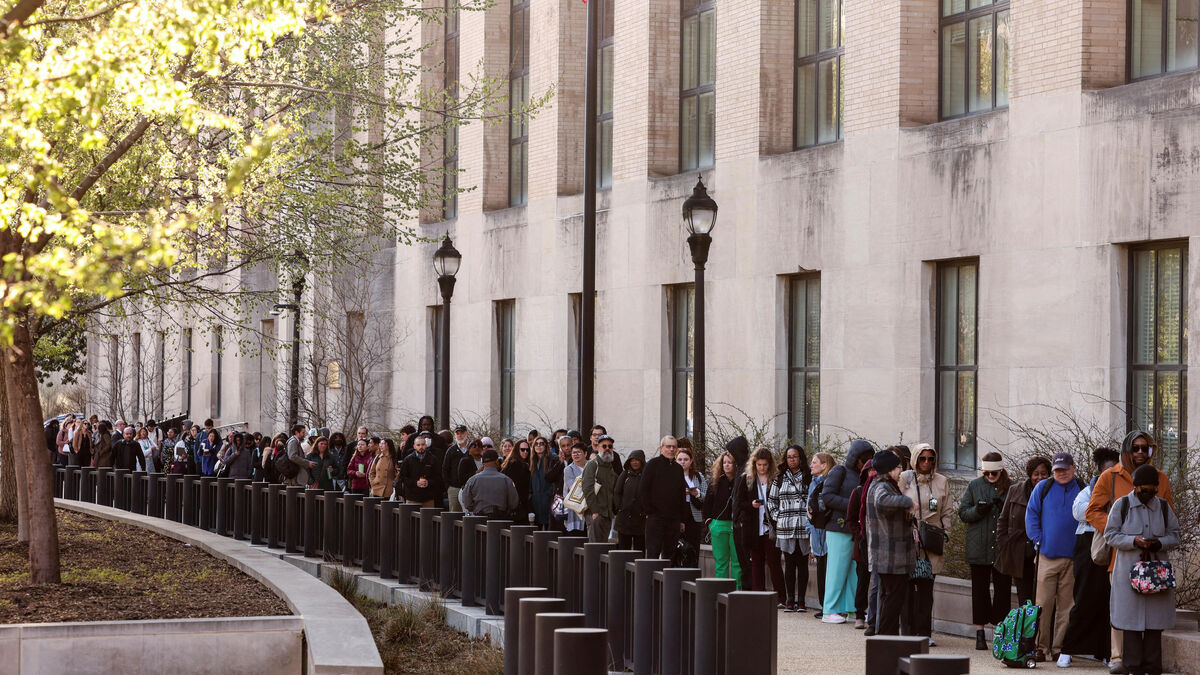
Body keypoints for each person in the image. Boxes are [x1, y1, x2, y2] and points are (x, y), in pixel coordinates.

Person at [1087, 431, 1174, 675]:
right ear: (1127, 449)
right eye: (1135, 447)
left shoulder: (1161, 478)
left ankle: (1146, 662)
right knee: (1125, 610)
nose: (1139, 452)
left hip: (1154, 560)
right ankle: (1119, 659)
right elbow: (1093, 511)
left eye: (1144, 448)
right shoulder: (1110, 476)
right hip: (1122, 557)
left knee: (1152, 612)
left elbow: (1168, 514)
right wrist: (1124, 532)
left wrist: (1157, 539)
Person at [1104, 465, 1180, 675]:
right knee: (1131, 623)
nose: (1147, 494)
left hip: (1156, 576)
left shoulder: (1164, 507)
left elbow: (1175, 535)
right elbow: (1110, 535)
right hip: (1128, 575)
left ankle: (1153, 667)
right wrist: (1133, 541)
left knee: (1155, 623)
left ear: (1156, 488)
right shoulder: (1122, 505)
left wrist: (1159, 543)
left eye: (1151, 490)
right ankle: (1133, 666)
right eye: (1143, 490)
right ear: (1135, 487)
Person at [1062, 446, 1120, 665]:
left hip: (1113, 547)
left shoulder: (1124, 489)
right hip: (1087, 548)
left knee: (1109, 601)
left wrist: (1102, 513)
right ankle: (1068, 649)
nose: (1110, 475)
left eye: (1115, 469)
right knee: (1084, 598)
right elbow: (1079, 511)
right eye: (1107, 471)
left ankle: (1105, 652)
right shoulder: (1089, 489)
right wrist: (1108, 511)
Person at [898, 443, 953, 644]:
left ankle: (924, 633)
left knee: (926, 590)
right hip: (909, 540)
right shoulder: (905, 479)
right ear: (914, 459)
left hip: (932, 541)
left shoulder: (942, 481)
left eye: (931, 458)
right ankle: (908, 632)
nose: (926, 462)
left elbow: (947, 510)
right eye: (922, 458)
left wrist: (945, 533)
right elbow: (897, 504)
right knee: (907, 589)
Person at [958, 450, 1012, 650]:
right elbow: (963, 512)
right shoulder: (974, 485)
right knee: (979, 591)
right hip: (978, 546)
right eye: (987, 473)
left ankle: (1000, 631)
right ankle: (979, 632)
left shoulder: (1011, 487)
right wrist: (977, 511)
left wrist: (1003, 506)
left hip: (1001, 548)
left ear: (1000, 471)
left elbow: (1017, 514)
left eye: (994, 473)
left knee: (1002, 591)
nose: (990, 477)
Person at [819, 439, 875, 624]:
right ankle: (830, 609)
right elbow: (827, 496)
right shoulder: (839, 471)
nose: (864, 462)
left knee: (853, 571)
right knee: (836, 569)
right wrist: (853, 506)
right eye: (862, 458)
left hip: (854, 529)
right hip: (838, 527)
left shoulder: (864, 475)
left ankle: (852, 608)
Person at [865, 449, 914, 636]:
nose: (900, 471)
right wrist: (907, 501)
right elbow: (883, 502)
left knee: (890, 598)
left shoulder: (882, 484)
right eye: (898, 467)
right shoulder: (881, 487)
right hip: (890, 555)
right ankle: (886, 638)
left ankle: (887, 637)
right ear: (890, 469)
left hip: (889, 555)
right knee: (892, 599)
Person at [996, 455, 1051, 606]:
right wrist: (1004, 544)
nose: (1040, 477)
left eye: (1044, 473)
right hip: (1019, 553)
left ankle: (1041, 630)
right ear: (1030, 475)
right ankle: (1026, 629)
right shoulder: (1015, 490)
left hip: (1044, 552)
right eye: (1036, 474)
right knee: (1025, 599)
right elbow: (1003, 519)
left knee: (1043, 599)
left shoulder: (1053, 492)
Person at [736, 447, 786, 606]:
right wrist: (751, 505)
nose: (762, 468)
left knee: (774, 562)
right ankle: (758, 595)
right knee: (756, 563)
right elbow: (739, 503)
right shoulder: (748, 479)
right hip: (753, 526)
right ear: (754, 464)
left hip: (771, 526)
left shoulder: (776, 478)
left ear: (769, 464)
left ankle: (781, 598)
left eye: (765, 465)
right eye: (759, 465)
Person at [767, 445, 810, 612]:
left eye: (795, 456)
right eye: (789, 457)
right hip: (785, 527)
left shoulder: (808, 477)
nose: (792, 459)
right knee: (789, 564)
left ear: (801, 458)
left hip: (803, 526)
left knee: (803, 564)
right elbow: (771, 501)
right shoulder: (779, 478)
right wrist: (779, 517)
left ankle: (802, 601)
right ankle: (790, 600)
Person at [639, 435, 688, 559]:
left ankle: (666, 579)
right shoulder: (652, 464)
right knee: (652, 554)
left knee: (670, 555)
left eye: (674, 447)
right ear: (661, 448)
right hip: (655, 518)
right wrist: (649, 511)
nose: (671, 449)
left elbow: (681, 494)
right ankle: (650, 579)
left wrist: (681, 519)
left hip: (674, 520)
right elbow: (643, 490)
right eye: (668, 446)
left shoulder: (678, 468)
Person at [704, 450, 741, 586]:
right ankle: (722, 591)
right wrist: (710, 522)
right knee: (721, 562)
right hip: (718, 525)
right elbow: (707, 504)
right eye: (724, 462)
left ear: (736, 464)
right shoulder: (716, 482)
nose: (727, 465)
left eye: (730, 462)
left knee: (738, 562)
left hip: (736, 525)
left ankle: (738, 592)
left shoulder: (741, 480)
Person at [847, 459, 875, 629]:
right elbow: (850, 518)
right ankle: (859, 613)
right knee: (862, 580)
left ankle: (876, 615)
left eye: (875, 470)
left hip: (880, 542)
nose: (872, 474)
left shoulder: (883, 490)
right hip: (863, 543)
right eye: (869, 470)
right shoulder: (857, 492)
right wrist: (859, 533)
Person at [808, 451, 834, 619]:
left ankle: (828, 605)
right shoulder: (813, 483)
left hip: (826, 531)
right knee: (821, 568)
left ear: (824, 465)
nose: (811, 465)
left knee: (827, 569)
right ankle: (823, 603)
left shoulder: (828, 483)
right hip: (815, 532)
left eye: (815, 462)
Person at [460, 449, 520, 519]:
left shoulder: (472, 480)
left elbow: (467, 503)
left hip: (478, 520)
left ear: (482, 463)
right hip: (501, 521)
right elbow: (514, 504)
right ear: (497, 461)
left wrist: (475, 508)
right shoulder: (506, 480)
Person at [581, 435, 619, 543]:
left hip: (607, 515)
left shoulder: (610, 468)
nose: (607, 449)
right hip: (595, 514)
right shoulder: (592, 465)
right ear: (597, 448)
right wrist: (595, 511)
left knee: (603, 548)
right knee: (594, 548)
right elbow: (587, 489)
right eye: (604, 446)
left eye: (610, 446)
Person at [677, 446, 708, 561]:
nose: (683, 462)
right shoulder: (673, 476)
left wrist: (696, 493)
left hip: (694, 516)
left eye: (685, 459)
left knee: (694, 550)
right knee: (678, 549)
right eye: (680, 459)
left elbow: (707, 497)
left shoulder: (698, 476)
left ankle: (693, 575)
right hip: (677, 516)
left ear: (691, 461)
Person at [397, 434, 443, 507]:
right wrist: (415, 483)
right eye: (418, 445)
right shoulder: (408, 460)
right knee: (411, 518)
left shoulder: (433, 459)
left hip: (428, 498)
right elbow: (402, 478)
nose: (421, 447)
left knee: (428, 518)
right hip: (412, 498)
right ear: (414, 446)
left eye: (423, 444)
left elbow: (438, 477)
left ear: (426, 445)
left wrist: (428, 482)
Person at [614, 450, 647, 551]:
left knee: (639, 549)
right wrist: (620, 507)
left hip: (641, 520)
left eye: (637, 460)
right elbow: (617, 492)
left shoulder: (646, 475)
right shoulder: (625, 475)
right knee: (623, 549)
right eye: (632, 460)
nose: (635, 462)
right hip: (624, 519)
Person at [530, 435, 564, 529]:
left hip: (549, 500)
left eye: (541, 443)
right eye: (536, 444)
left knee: (549, 530)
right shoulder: (533, 461)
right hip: (536, 501)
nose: (539, 446)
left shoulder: (553, 458)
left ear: (546, 446)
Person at [503, 438, 532, 524]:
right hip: (517, 506)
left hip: (518, 505)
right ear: (517, 450)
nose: (525, 452)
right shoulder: (515, 464)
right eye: (522, 450)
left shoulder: (519, 463)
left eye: (527, 450)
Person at [562, 443, 588, 534]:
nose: (576, 455)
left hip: (590, 506)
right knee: (576, 535)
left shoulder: (592, 466)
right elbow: (573, 488)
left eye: (578, 452)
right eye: (573, 453)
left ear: (585, 453)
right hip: (575, 507)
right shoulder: (569, 469)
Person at [444, 425, 471, 511]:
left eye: (462, 433)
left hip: (470, 487)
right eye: (457, 433)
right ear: (455, 435)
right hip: (454, 488)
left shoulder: (472, 449)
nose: (460, 435)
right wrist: (448, 486)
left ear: (466, 433)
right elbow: (445, 469)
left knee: (469, 513)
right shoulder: (451, 450)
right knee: (454, 514)